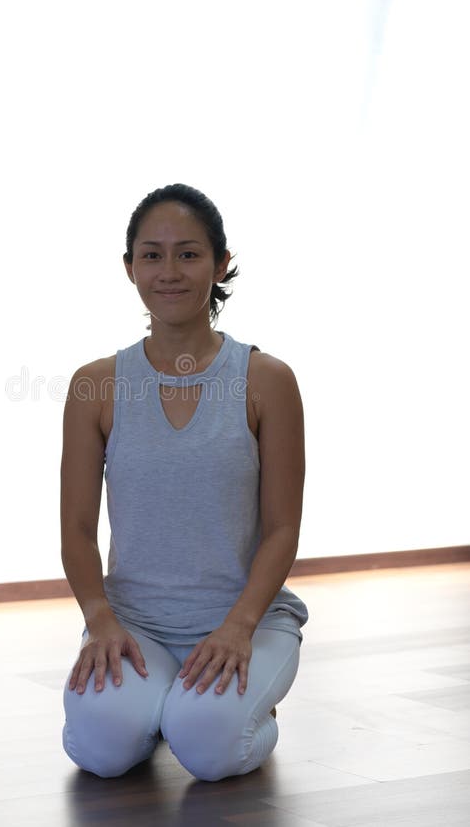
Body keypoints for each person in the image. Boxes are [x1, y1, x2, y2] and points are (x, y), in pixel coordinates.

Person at [60, 183, 308, 782]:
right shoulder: (96, 385)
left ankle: (228, 711)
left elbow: (281, 528)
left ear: (221, 264)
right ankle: (163, 706)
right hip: (134, 623)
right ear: (130, 269)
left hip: (243, 618)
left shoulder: (266, 380)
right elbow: (75, 528)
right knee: (101, 751)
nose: (169, 272)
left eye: (189, 254)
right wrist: (99, 618)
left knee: (207, 749)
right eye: (152, 255)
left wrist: (239, 626)